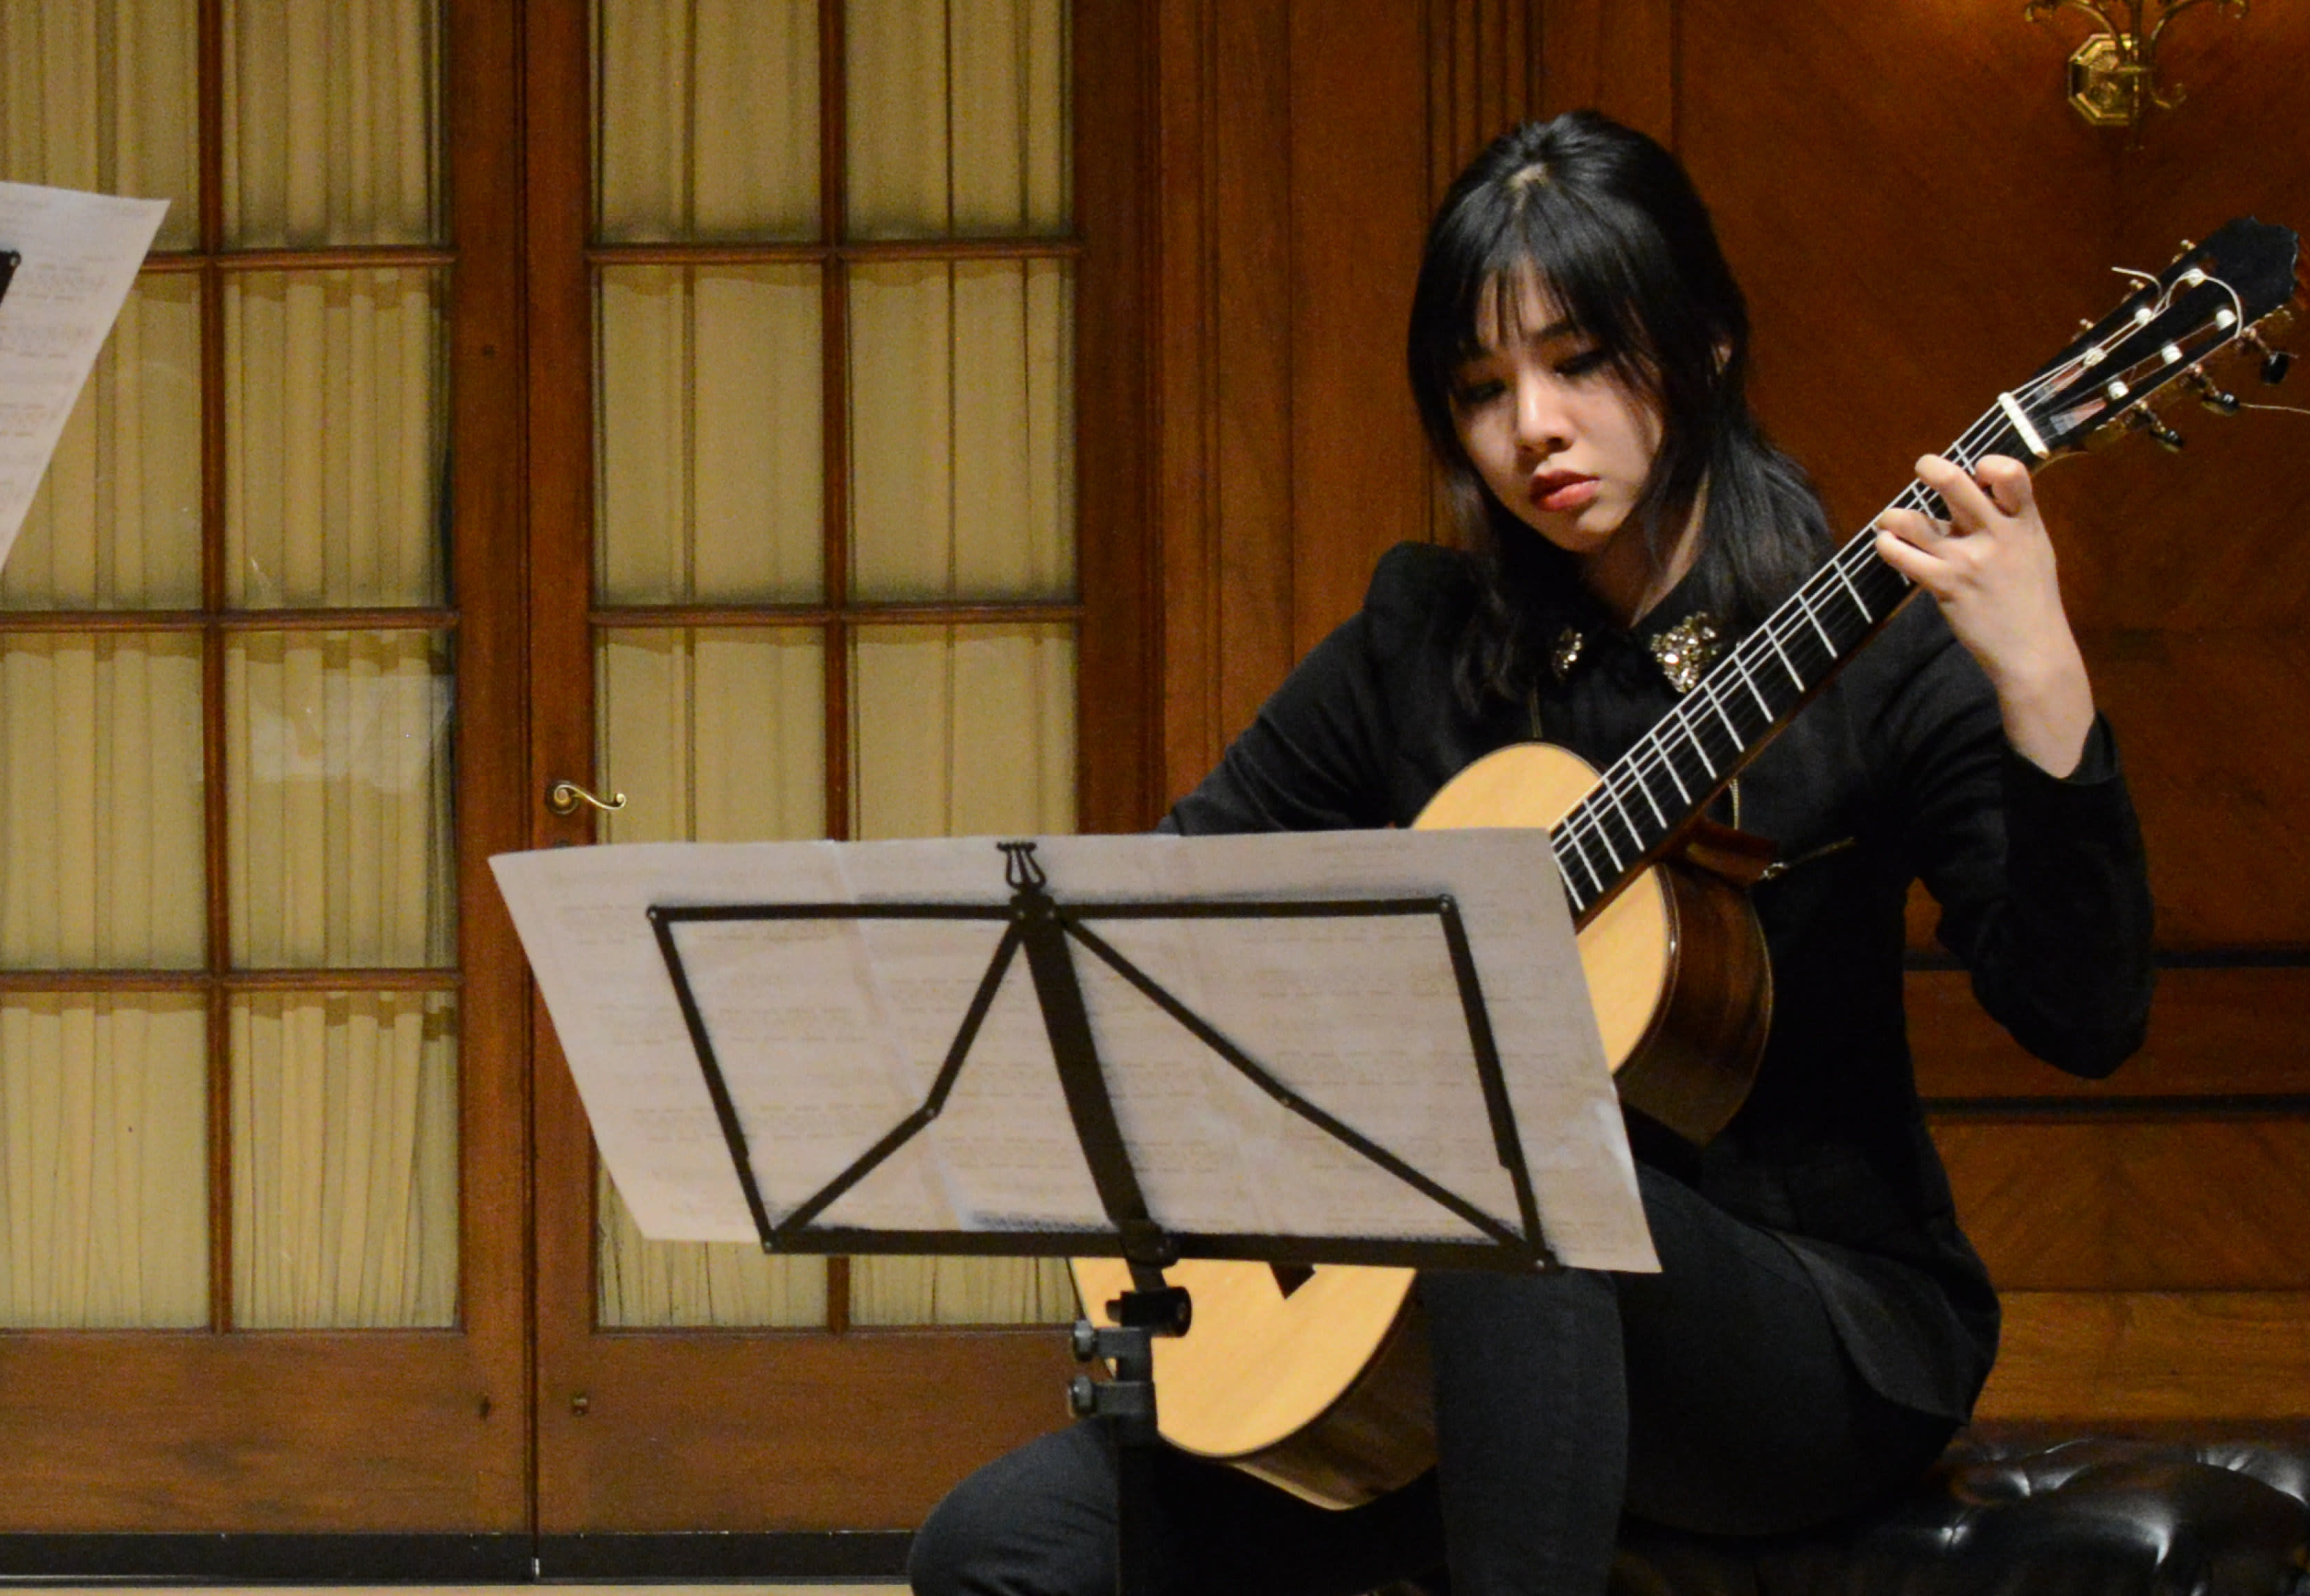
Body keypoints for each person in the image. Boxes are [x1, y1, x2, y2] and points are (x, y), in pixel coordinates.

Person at [908, 110, 2153, 1596]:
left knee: (1517, 1190)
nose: (1531, 430)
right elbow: (1164, 918)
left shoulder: (1874, 655)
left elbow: (2083, 1018)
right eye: (1482, 389)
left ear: (1697, 349)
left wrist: (2045, 687)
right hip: (1427, 1332)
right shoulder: (1423, 646)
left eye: (1577, 363)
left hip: (1809, 1326)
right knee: (999, 1551)